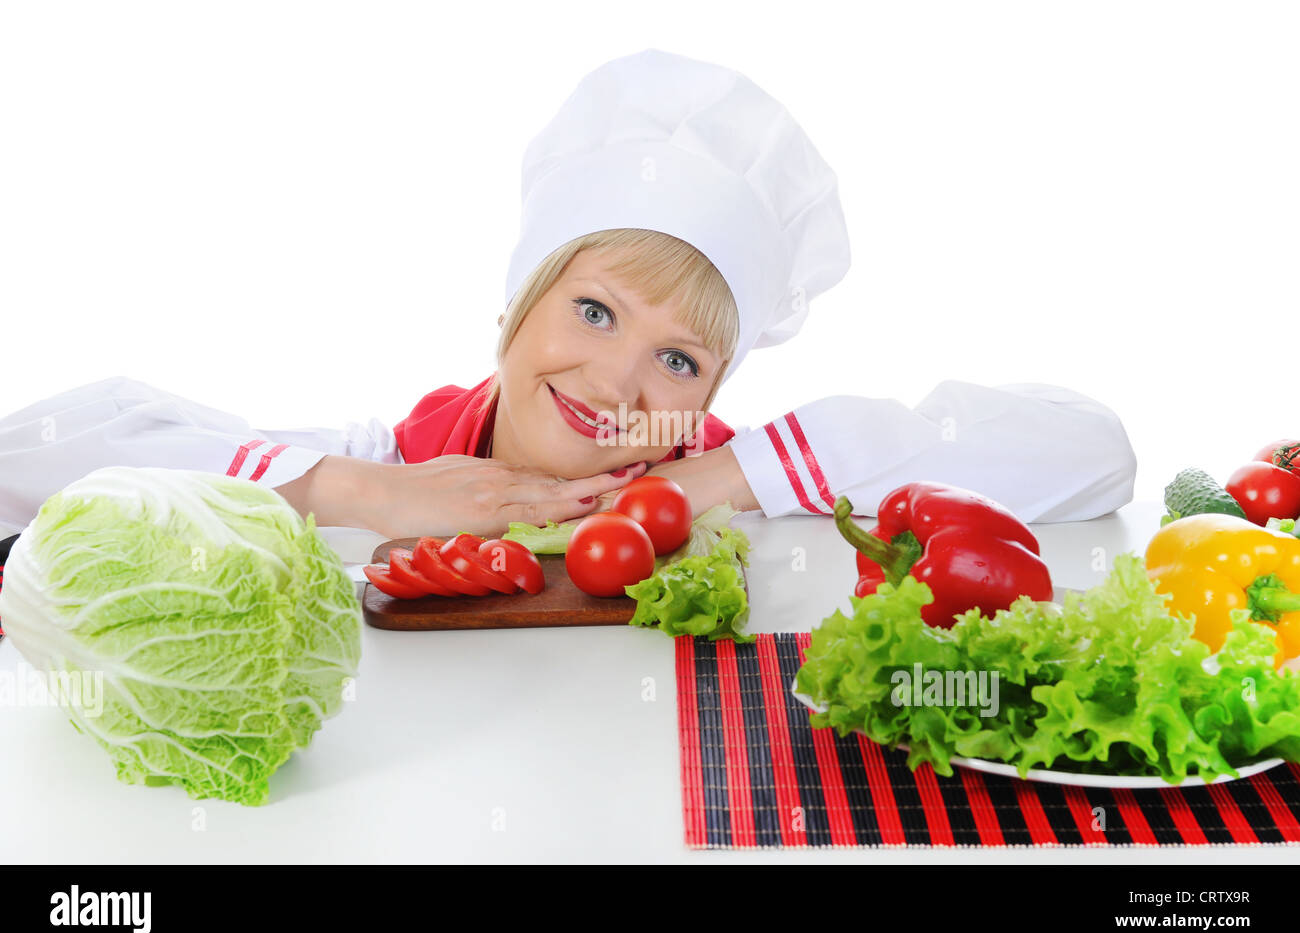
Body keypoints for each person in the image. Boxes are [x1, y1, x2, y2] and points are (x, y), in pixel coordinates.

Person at [0, 49, 1136, 547]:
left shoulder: (751, 482)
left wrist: (724, 475)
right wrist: (360, 493)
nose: (615, 381)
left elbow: (1093, 452)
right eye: (593, 310)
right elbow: (35, 459)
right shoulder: (387, 458)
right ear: (517, 304)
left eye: (680, 359)